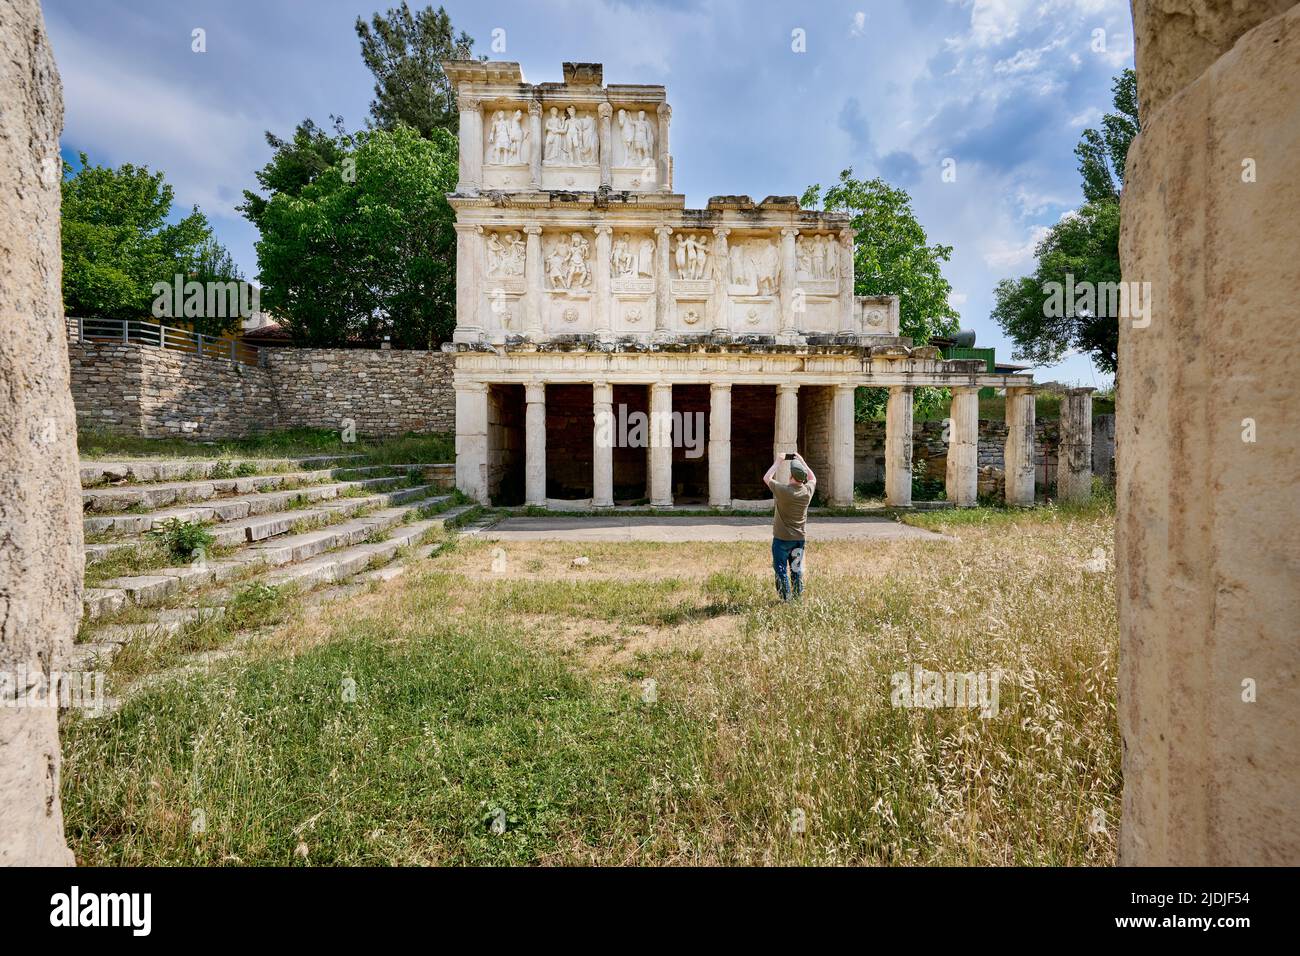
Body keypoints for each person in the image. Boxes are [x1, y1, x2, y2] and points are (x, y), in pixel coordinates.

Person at [763, 451, 816, 601]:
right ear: (803, 478)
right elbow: (813, 478)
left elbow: (767, 478)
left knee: (780, 569)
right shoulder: (807, 491)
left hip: (781, 539)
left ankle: (786, 598)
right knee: (796, 569)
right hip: (799, 539)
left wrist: (778, 462)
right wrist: (803, 461)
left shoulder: (783, 491)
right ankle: (797, 597)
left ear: (790, 476)